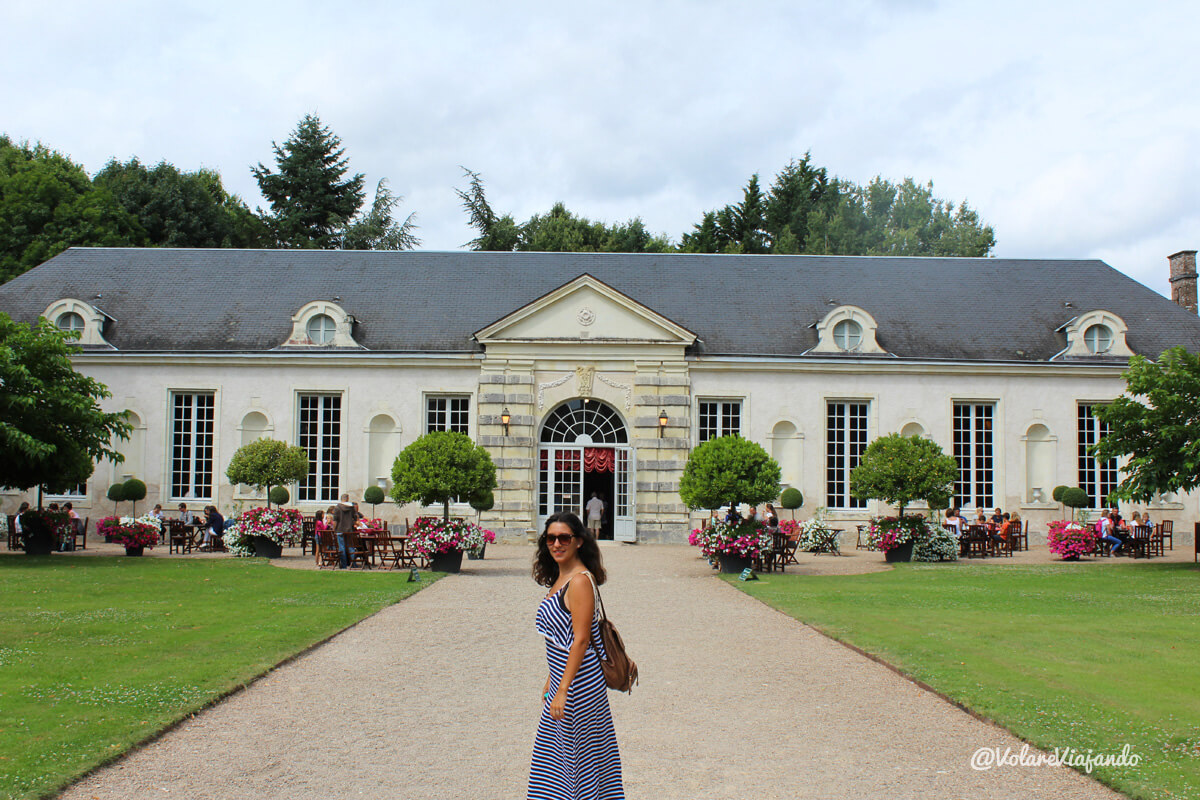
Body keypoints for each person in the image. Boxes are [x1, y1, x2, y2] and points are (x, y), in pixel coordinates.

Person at [528, 512, 623, 799]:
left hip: (579, 684)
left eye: (564, 538)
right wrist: (551, 678)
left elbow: (581, 640)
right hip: (565, 678)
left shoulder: (579, 581)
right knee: (558, 758)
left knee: (576, 759)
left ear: (579, 541)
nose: (557, 544)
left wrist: (563, 689)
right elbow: (561, 638)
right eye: (551, 538)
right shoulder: (561, 578)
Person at [331, 494, 357, 568]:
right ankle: (353, 564)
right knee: (351, 547)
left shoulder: (337, 507)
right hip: (349, 530)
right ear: (347, 498)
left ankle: (343, 564)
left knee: (341, 547)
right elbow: (355, 518)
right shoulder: (352, 508)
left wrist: (334, 529)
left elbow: (335, 520)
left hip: (340, 529)